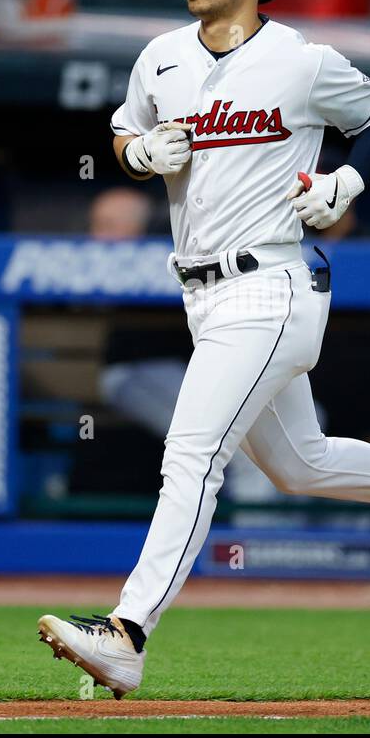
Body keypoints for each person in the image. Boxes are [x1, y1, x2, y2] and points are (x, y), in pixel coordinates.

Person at [36, 0, 370, 699]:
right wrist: (140, 151)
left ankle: (127, 632)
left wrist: (347, 179)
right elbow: (124, 136)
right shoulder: (158, 57)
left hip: (273, 285)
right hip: (201, 294)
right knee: (303, 465)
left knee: (191, 453)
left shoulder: (300, 59)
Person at [90, 187, 283, 503]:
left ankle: (303, 543)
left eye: (109, 226)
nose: (97, 238)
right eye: (97, 225)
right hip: (138, 372)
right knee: (244, 451)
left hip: (203, 374)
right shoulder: (125, 263)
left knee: (296, 432)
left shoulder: (185, 236)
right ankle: (255, 546)